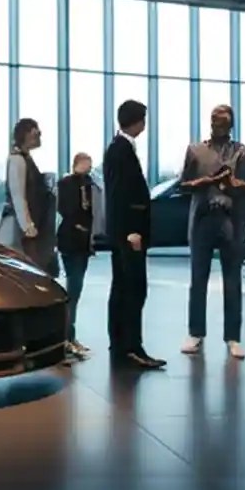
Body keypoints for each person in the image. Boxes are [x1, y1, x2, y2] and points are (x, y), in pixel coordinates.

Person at [178, 105, 245, 360]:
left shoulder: (243, 153)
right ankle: (195, 332)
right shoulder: (195, 150)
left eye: (223, 121)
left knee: (232, 281)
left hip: (231, 220)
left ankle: (233, 337)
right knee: (198, 279)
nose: (218, 125)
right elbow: (182, 185)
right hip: (203, 219)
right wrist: (205, 183)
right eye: (214, 120)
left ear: (231, 124)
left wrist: (236, 185)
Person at [103, 100, 166, 370]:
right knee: (132, 289)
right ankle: (130, 347)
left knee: (122, 288)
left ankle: (120, 345)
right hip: (129, 234)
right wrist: (131, 230)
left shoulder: (120, 148)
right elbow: (119, 195)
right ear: (139, 121)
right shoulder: (120, 150)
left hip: (125, 233)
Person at [0, 118, 52, 270]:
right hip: (17, 226)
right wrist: (27, 226)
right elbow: (18, 195)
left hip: (21, 224)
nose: (39, 137)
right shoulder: (18, 160)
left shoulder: (24, 158)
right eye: (36, 133)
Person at [57, 152, 96, 360]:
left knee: (77, 288)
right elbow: (67, 209)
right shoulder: (66, 184)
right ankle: (66, 336)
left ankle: (70, 335)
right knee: (73, 286)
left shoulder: (90, 185)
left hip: (84, 243)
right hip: (70, 240)